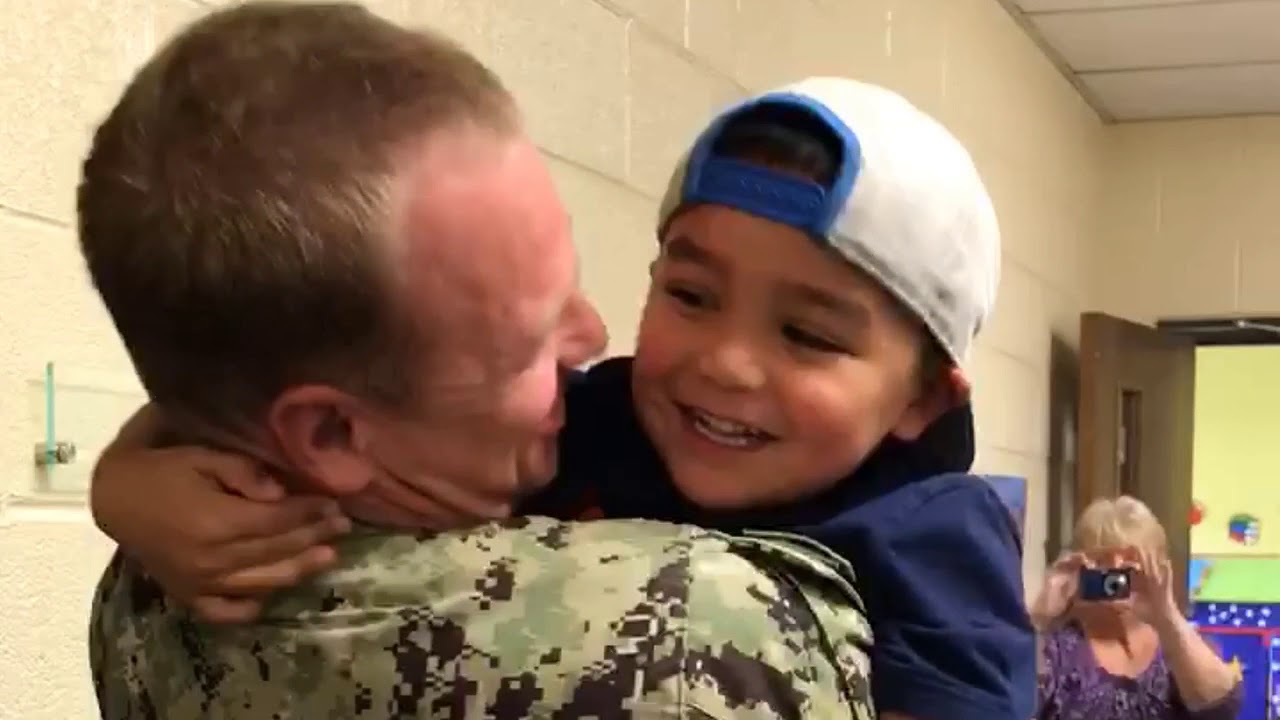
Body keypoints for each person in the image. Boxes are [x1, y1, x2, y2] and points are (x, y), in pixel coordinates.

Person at [94, 73, 1033, 719]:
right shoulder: (604, 419)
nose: (726, 364)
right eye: (691, 296)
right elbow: (260, 392)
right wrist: (128, 484)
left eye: (809, 336)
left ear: (922, 402)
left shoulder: (931, 534)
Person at [1030, 496, 1242, 719]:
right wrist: (1041, 616)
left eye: (1131, 560)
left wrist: (1166, 615)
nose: (1116, 570)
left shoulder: (1179, 645)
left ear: (1159, 566)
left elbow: (1221, 708)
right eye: (1102, 560)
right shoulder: (1057, 650)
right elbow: (1008, 702)